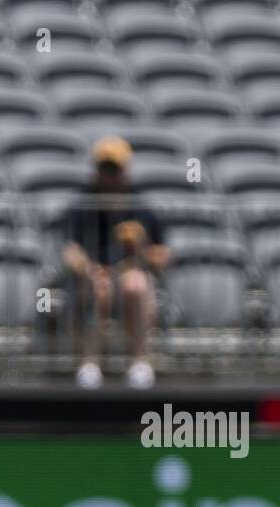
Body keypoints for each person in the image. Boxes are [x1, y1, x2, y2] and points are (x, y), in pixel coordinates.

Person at [61, 136, 170, 390]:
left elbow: (162, 256)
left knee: (137, 285)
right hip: (93, 276)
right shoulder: (83, 204)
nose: (109, 176)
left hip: (128, 273)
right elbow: (69, 250)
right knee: (99, 288)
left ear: (125, 171)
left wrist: (140, 246)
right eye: (104, 169)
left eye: (115, 169)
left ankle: (139, 362)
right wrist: (88, 269)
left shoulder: (141, 206)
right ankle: (89, 364)